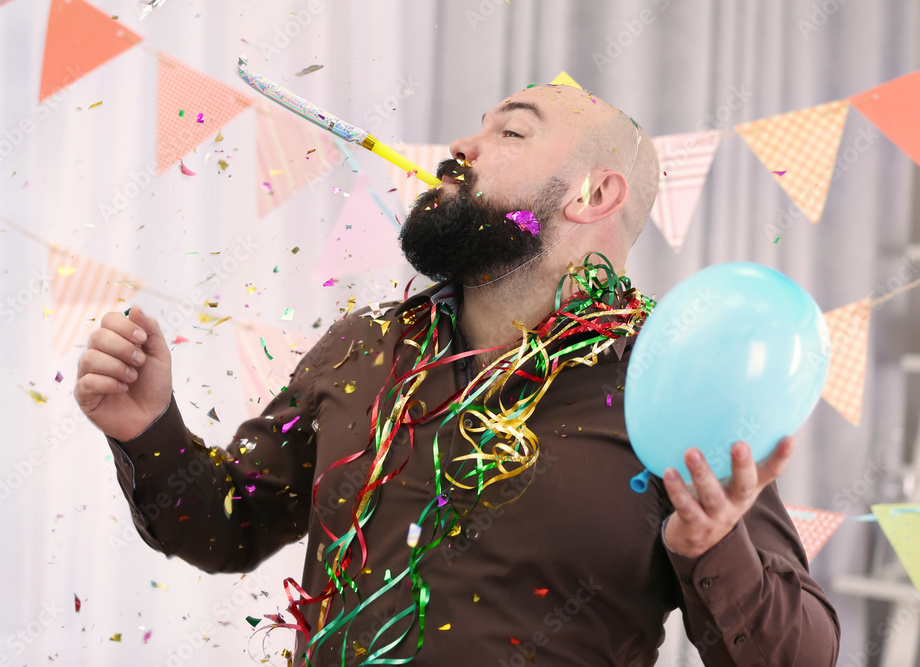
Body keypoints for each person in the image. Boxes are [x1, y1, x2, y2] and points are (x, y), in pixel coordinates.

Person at [75, 84, 840, 666]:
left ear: (594, 194)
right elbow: (225, 525)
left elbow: (802, 654)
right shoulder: (361, 346)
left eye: (508, 130)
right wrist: (148, 427)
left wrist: (714, 546)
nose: (460, 145)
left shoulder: (675, 384)